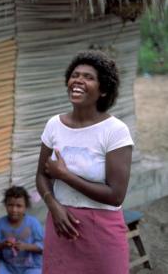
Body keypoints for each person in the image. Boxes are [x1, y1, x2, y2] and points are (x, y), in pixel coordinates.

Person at [35, 51, 133, 273]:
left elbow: (116, 195)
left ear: (104, 90)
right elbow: (41, 175)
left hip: (102, 230)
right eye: (75, 75)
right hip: (61, 225)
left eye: (88, 77)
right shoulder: (54, 125)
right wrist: (53, 205)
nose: (78, 80)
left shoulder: (115, 131)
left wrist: (65, 175)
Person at [0, 186, 43, 274]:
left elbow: (43, 248)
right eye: (10, 205)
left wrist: (26, 246)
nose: (14, 210)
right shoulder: (0, 223)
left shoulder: (33, 223)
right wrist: (3, 245)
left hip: (31, 267)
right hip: (8, 267)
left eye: (19, 206)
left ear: (25, 207)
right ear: (6, 205)